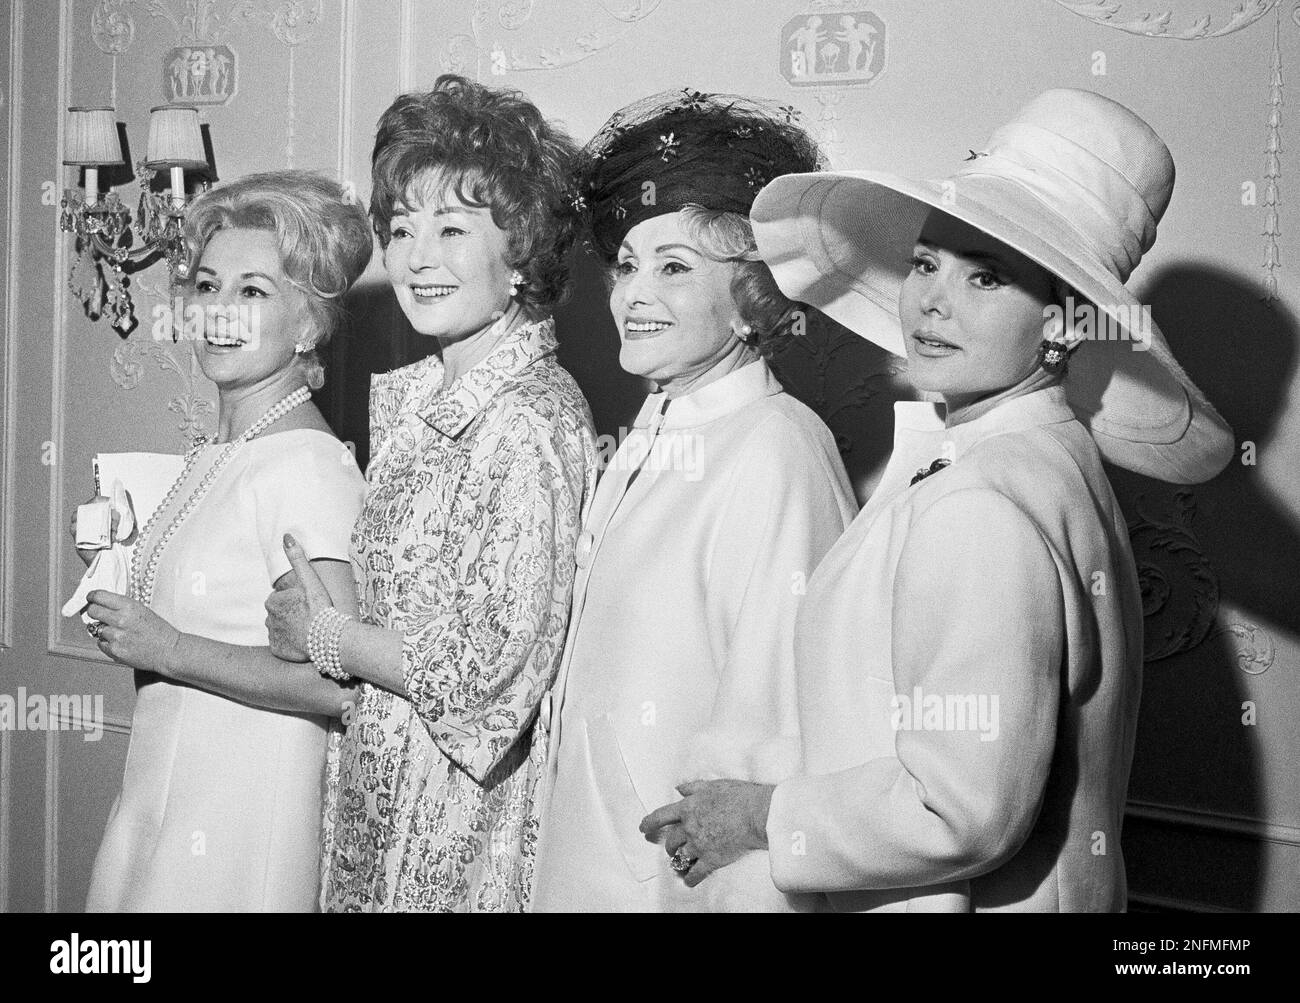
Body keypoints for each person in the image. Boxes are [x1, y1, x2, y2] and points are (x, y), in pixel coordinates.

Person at [640, 88, 1235, 911]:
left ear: (1064, 326)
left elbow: (959, 810)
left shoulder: (985, 504)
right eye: (926, 263)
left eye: (985, 277)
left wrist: (764, 815)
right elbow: (897, 723)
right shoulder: (1040, 456)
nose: (931, 301)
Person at [263, 75, 599, 912]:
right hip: (378, 793)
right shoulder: (429, 399)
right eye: (403, 228)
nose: (416, 257)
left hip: (453, 834)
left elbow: (488, 674)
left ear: (520, 249)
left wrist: (326, 633)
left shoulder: (527, 418)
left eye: (453, 228)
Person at [531, 90, 858, 912]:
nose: (635, 293)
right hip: (589, 869)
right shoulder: (651, 430)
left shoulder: (776, 448)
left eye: (675, 266)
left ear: (754, 296)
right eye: (627, 265)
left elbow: (775, 746)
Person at [75, 170, 374, 911]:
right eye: (207, 286)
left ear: (307, 325)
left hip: (235, 836)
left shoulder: (307, 464)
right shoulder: (222, 450)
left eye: (252, 292)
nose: (218, 313)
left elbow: (337, 686)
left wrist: (167, 646)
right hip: (163, 802)